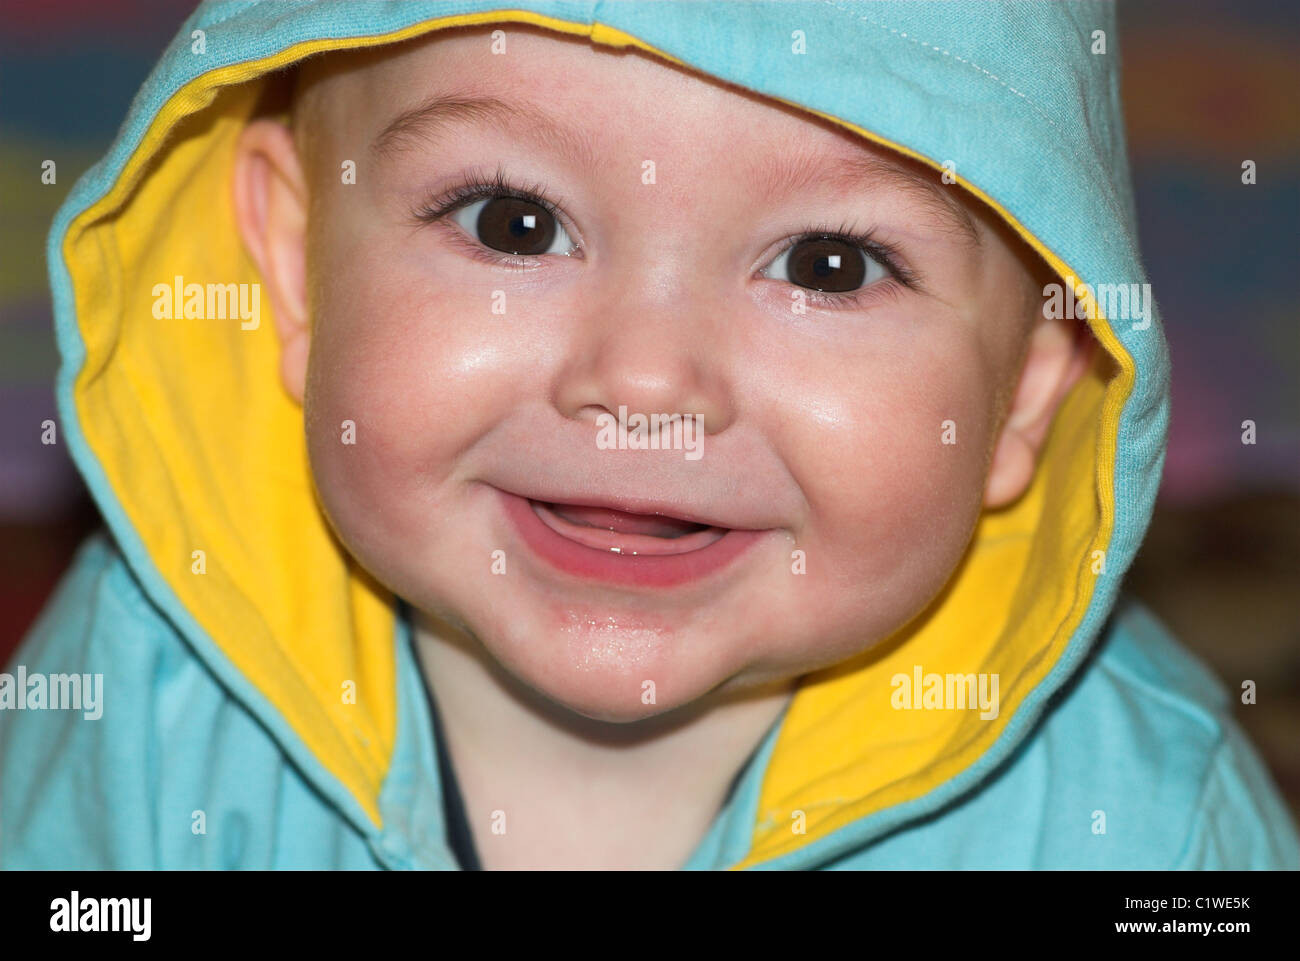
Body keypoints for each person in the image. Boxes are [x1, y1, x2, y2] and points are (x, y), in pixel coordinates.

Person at [2, 0, 1296, 870]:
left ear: (1025, 385)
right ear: (295, 262)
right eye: (514, 222)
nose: (646, 377)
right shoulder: (140, 706)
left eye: (831, 263)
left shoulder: (1143, 823)